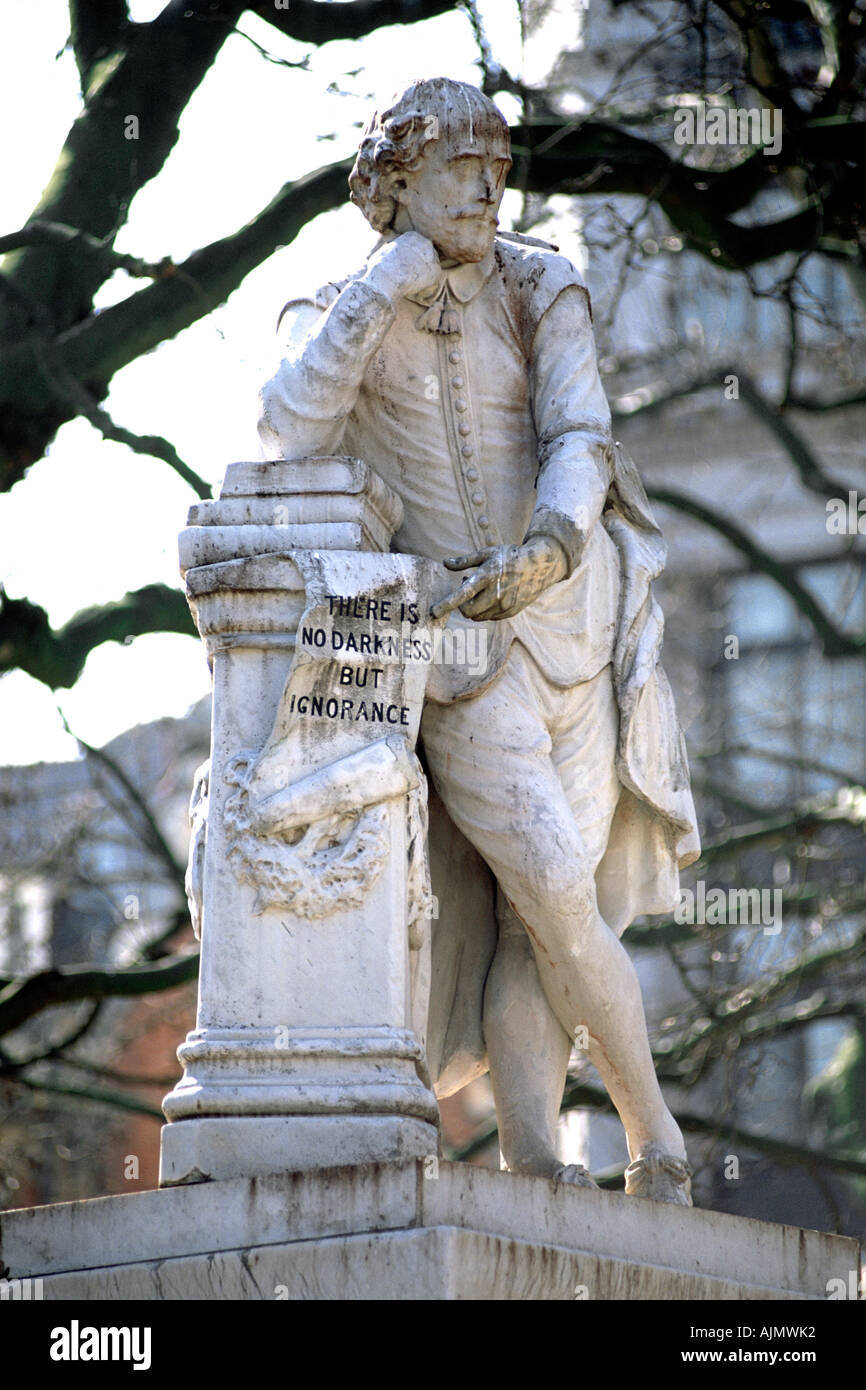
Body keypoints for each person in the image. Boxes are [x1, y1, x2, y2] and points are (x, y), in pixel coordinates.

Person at [258, 77, 700, 1203]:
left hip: (572, 620)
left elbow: (579, 434)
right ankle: (658, 1139)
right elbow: (283, 428)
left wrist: (550, 545)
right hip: (455, 649)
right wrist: (394, 276)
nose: (488, 190)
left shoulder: (542, 283)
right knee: (552, 885)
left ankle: (535, 1163)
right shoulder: (335, 307)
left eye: (499, 169)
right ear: (395, 178)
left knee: (541, 913)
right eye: (462, 168)